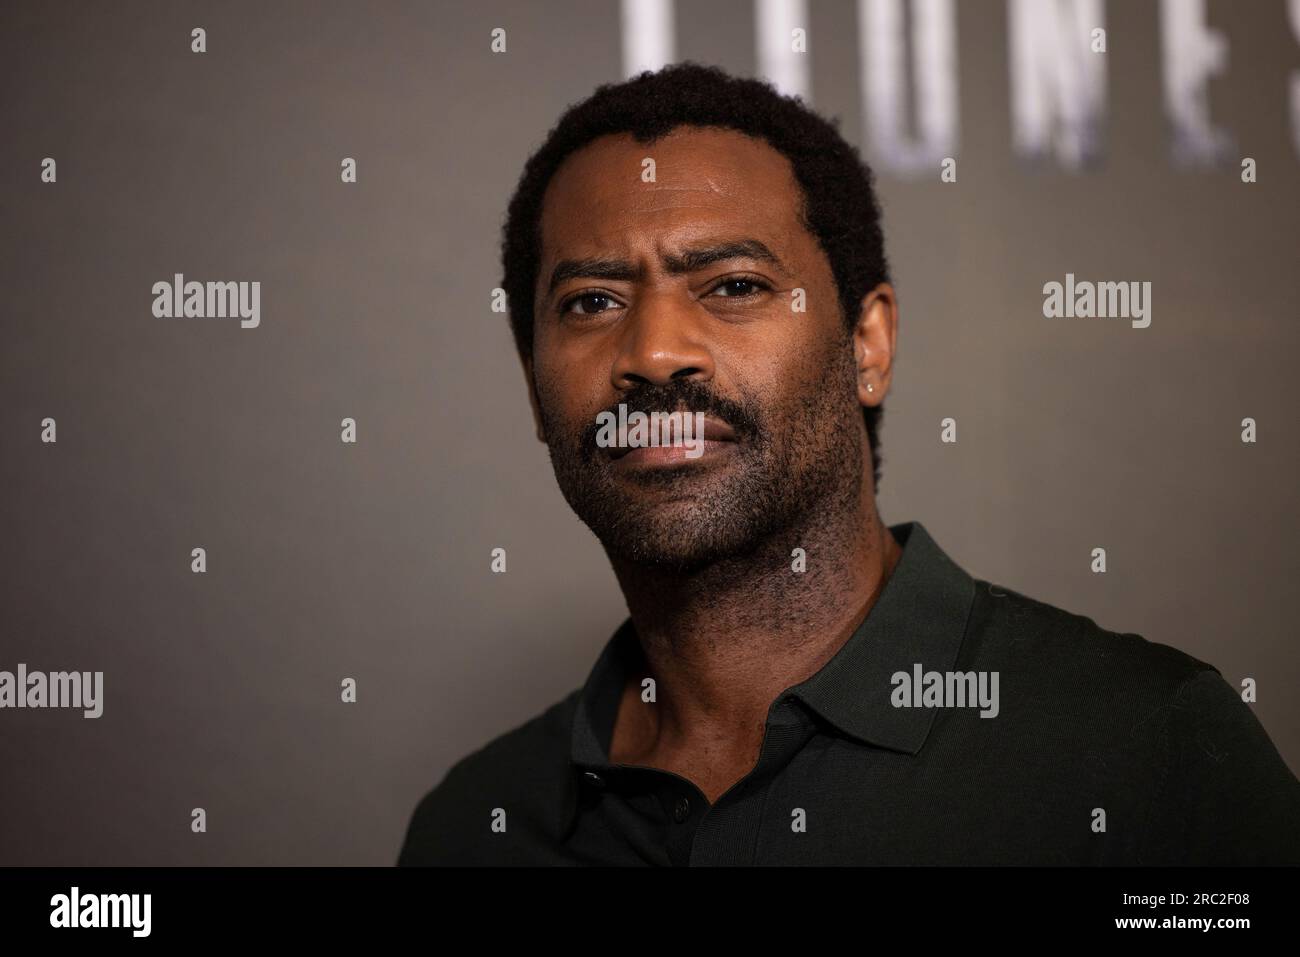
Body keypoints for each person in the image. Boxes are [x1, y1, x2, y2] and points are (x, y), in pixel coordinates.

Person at [398, 63, 1300, 865]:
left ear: (867, 344)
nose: (657, 350)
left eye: (734, 286)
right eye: (592, 300)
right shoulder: (475, 825)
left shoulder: (1148, 754)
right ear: (533, 389)